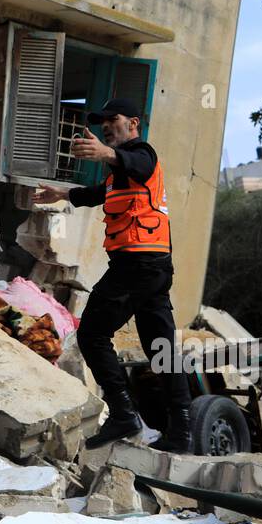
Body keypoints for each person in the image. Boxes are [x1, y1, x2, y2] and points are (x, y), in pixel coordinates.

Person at [32, 99, 192, 453]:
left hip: (136, 266)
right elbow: (103, 193)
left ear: (133, 123)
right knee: (161, 349)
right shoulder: (120, 173)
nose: (106, 125)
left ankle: (123, 413)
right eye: (102, 122)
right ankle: (181, 433)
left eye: (112, 120)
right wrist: (65, 193)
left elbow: (135, 163)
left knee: (91, 335)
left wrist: (106, 153)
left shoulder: (142, 154)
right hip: (153, 266)